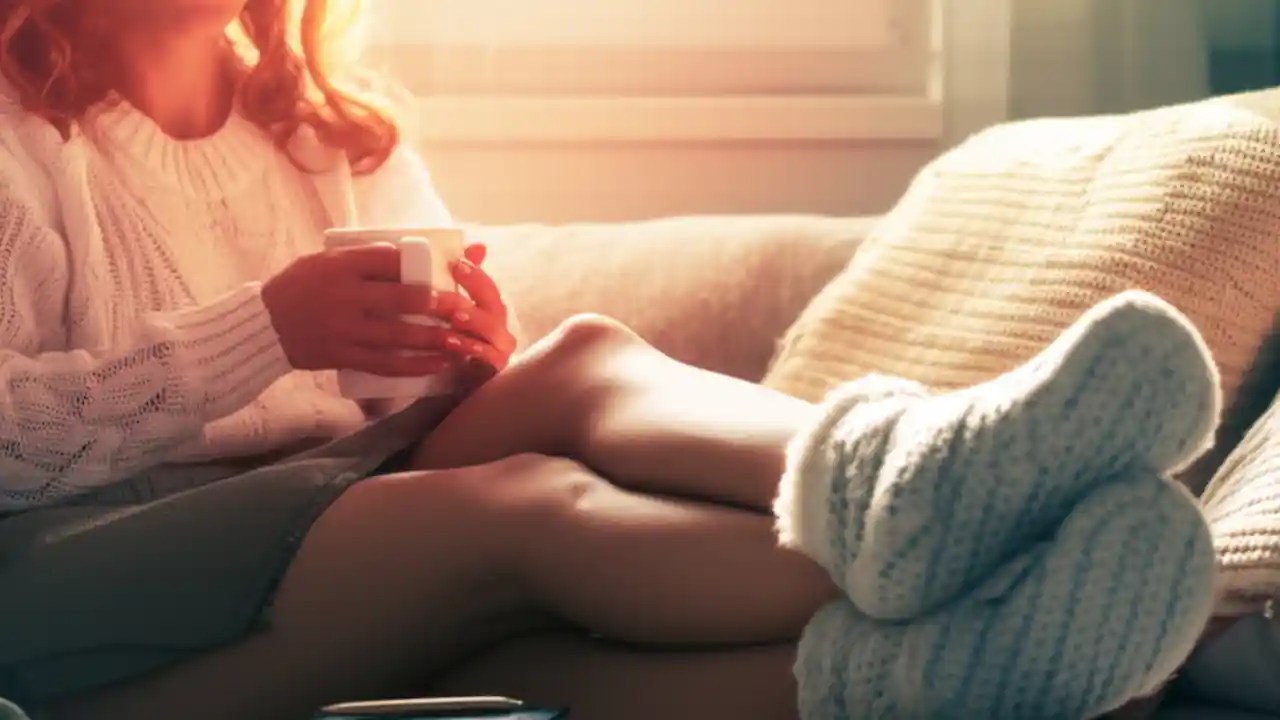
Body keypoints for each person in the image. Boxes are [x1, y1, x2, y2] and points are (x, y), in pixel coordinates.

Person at [0, 1, 1219, 719]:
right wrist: (268, 327)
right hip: (86, 566)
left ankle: (932, 538)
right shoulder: (19, 129)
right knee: (517, 520)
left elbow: (409, 373)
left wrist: (473, 356)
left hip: (333, 506)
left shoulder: (315, 120)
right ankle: (1007, 554)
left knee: (576, 363)